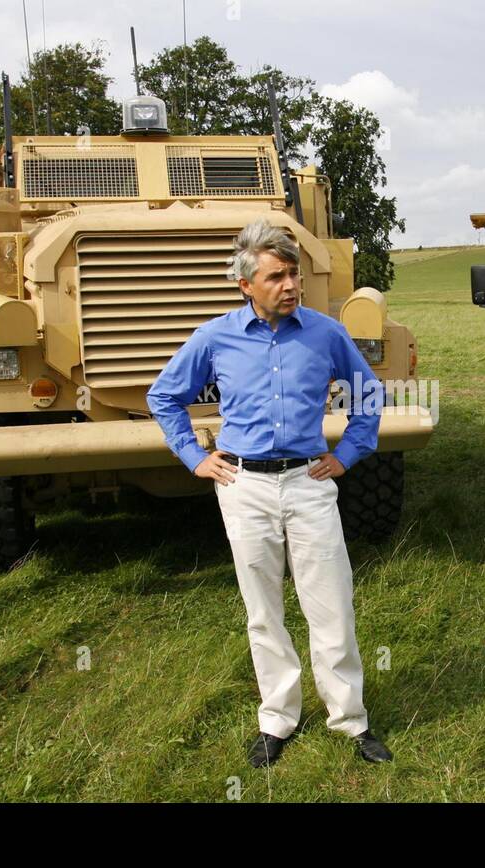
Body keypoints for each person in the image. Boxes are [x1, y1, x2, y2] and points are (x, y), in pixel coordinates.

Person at [147, 218, 392, 768]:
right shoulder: (215, 337)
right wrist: (195, 457)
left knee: (331, 604)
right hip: (243, 485)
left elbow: (368, 397)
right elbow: (164, 397)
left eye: (294, 274)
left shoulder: (326, 334)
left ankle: (350, 721)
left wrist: (346, 455)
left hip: (309, 483)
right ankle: (278, 719)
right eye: (277, 276)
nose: (290, 285)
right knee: (264, 609)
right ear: (246, 285)